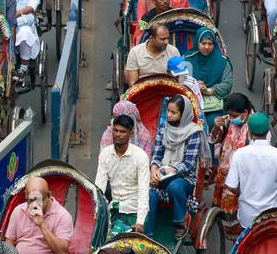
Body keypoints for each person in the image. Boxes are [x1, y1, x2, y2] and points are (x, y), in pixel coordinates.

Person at [4, 176, 73, 254]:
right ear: (25, 196)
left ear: (49, 196)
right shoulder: (18, 211)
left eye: (40, 199)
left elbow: (61, 252)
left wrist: (42, 225)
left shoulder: (62, 215)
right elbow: (9, 244)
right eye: (32, 200)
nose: (35, 204)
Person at [144, 95, 202, 242]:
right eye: (168, 111)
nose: (169, 115)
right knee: (149, 194)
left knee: (174, 187)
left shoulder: (194, 133)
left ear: (183, 114)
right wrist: (154, 169)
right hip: (163, 175)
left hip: (184, 178)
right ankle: (148, 235)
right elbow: (157, 154)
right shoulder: (163, 129)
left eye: (173, 112)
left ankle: (179, 223)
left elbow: (189, 164)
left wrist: (171, 169)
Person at [225, 112, 277, 230]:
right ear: (268, 132)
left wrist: (243, 192)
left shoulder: (239, 154)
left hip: (247, 217)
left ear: (250, 133)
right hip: (271, 216)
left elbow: (231, 186)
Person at [94, 113, 150, 238]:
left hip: (134, 212)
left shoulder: (140, 156)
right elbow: (99, 188)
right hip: (114, 209)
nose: (118, 134)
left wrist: (140, 221)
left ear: (130, 133)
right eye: (115, 130)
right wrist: (96, 213)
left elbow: (143, 190)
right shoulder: (105, 155)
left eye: (122, 131)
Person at [2, 0, 43, 82]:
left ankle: (23, 68)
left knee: (24, 32)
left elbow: (32, 6)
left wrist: (17, 13)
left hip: (25, 18)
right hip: (6, 17)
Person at [188, 27, 232, 123]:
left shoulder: (222, 61)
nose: (207, 47)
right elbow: (181, 82)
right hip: (190, 102)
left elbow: (227, 84)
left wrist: (207, 90)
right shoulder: (187, 60)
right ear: (197, 43)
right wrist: (194, 86)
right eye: (203, 43)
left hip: (214, 107)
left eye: (210, 44)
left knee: (213, 122)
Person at [124, 22, 179, 88]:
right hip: (142, 91)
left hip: (167, 91)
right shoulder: (135, 52)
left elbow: (181, 79)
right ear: (151, 38)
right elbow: (133, 83)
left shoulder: (173, 51)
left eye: (168, 38)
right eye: (162, 39)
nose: (166, 42)